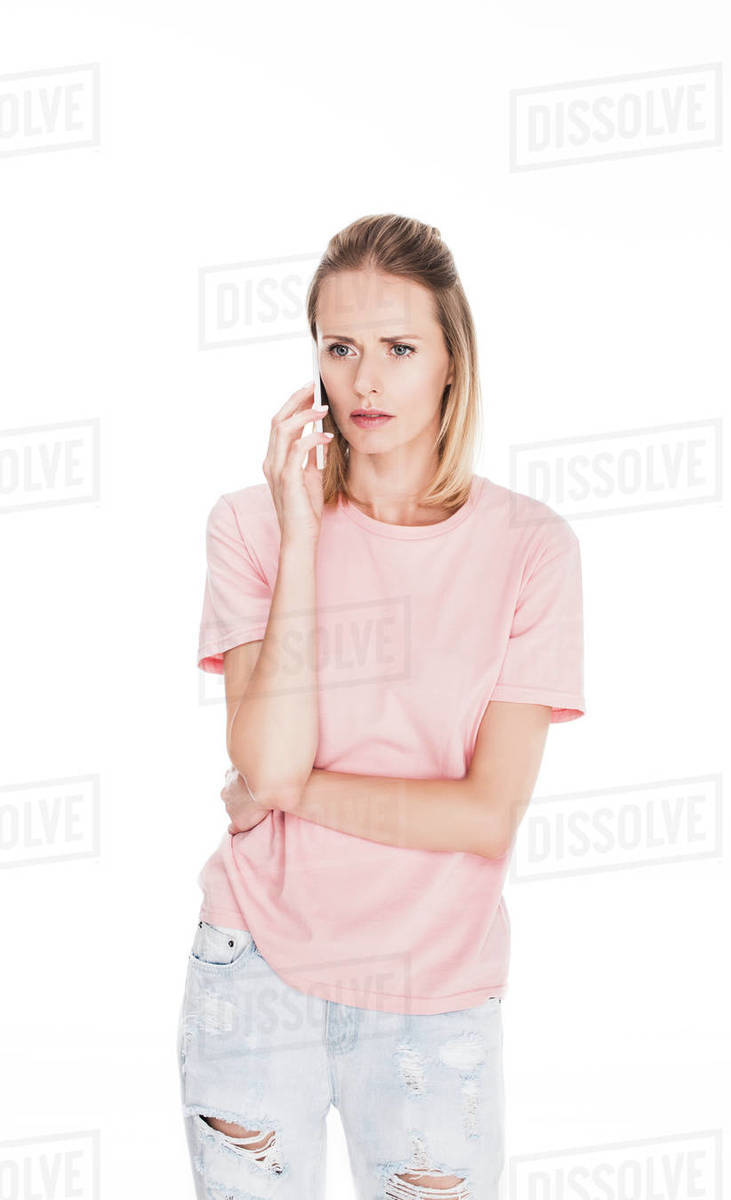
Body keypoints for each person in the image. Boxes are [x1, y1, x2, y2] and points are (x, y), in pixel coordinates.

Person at [176, 213, 586, 1199]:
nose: (365, 381)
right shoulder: (250, 525)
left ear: (451, 362)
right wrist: (303, 536)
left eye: (399, 349)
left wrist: (293, 792)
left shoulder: (531, 548)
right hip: (254, 968)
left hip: (434, 994)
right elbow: (266, 757)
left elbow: (484, 815)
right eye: (341, 348)